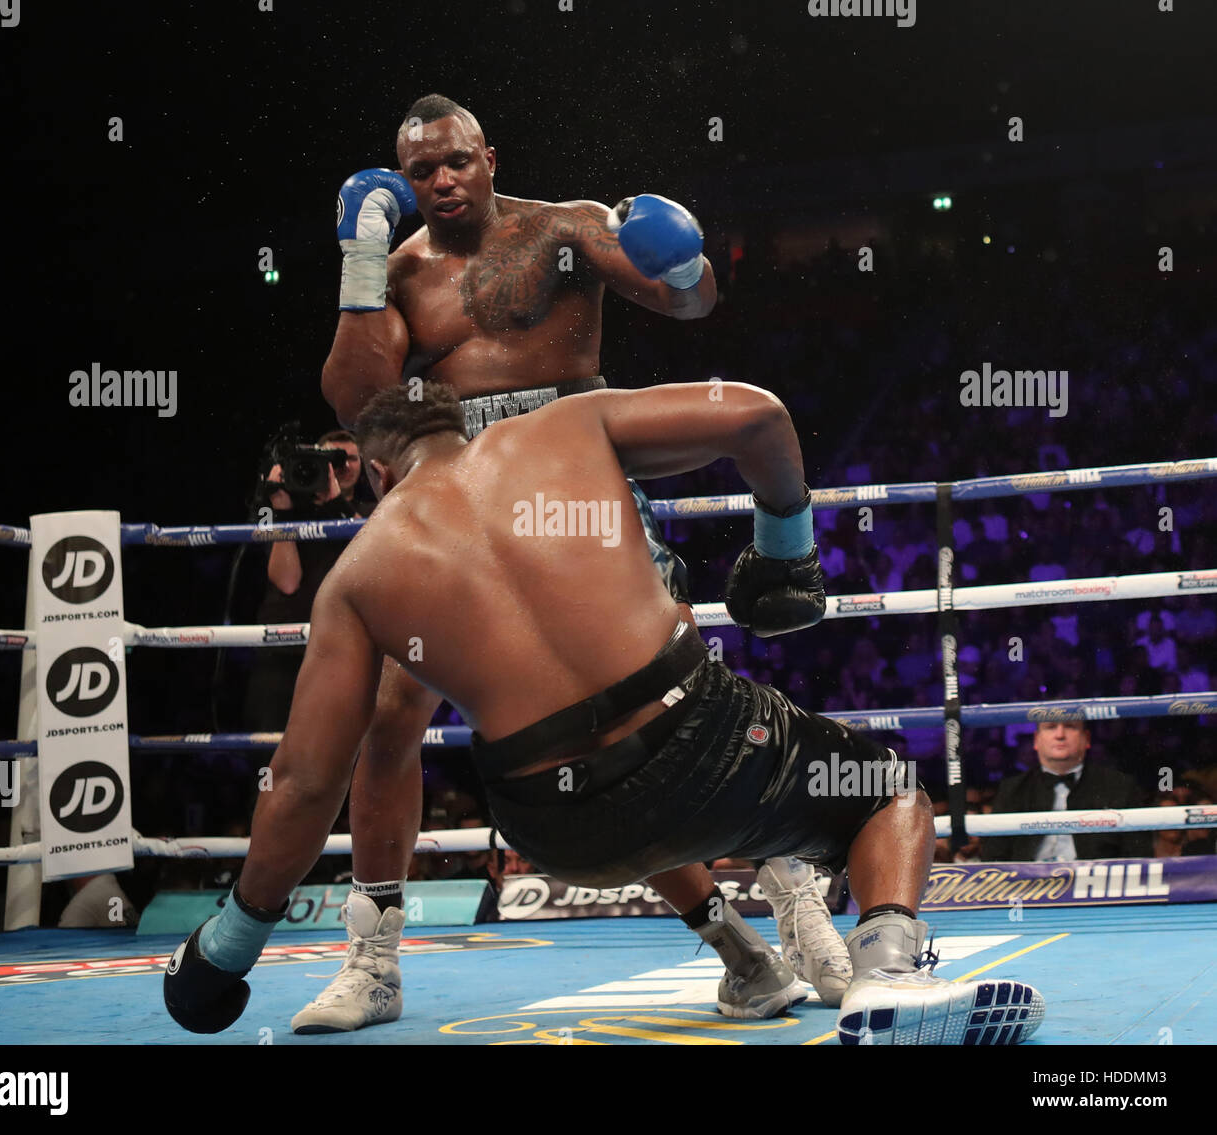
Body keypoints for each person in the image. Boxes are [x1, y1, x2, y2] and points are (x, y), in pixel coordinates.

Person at [164, 380, 1045, 1046]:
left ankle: (749, 954)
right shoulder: (562, 425)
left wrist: (226, 949)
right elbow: (761, 418)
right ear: (461, 426)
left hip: (550, 826)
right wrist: (785, 557)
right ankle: (886, 971)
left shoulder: (358, 577)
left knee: (602, 772)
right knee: (888, 788)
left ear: (378, 472)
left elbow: (307, 782)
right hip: (701, 747)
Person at [309, 93, 850, 1025]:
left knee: (665, 707)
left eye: (456, 162)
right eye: (420, 171)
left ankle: (790, 887)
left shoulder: (565, 231)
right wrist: (360, 260)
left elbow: (690, 301)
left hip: (577, 483)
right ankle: (375, 961)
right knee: (393, 714)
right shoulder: (394, 272)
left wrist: (679, 256)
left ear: (489, 157)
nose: (440, 182)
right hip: (459, 504)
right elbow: (362, 397)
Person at [244, 431, 371, 731]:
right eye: (333, 459)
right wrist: (283, 512)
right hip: (283, 646)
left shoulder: (370, 514)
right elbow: (287, 582)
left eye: (350, 458)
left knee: (339, 747)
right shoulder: (280, 512)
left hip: (343, 646)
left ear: (363, 464)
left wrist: (335, 503)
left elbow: (369, 560)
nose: (343, 466)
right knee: (271, 743)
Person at [979, 719, 1151, 862]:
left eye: (1070, 726)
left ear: (1087, 738)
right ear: (1036, 740)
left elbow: (1138, 854)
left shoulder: (1119, 786)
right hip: (1028, 890)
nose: (1060, 735)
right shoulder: (1012, 789)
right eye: (1051, 727)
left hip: (1096, 890)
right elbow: (994, 856)